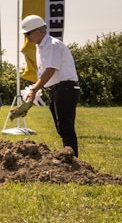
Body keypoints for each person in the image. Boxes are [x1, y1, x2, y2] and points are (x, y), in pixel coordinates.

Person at [22, 15, 81, 156]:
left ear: (40, 31)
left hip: (65, 88)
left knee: (66, 127)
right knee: (61, 127)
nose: (26, 37)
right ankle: (69, 156)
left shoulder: (52, 45)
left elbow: (50, 70)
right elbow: (45, 72)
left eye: (28, 33)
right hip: (56, 89)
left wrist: (34, 89)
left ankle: (73, 159)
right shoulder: (41, 47)